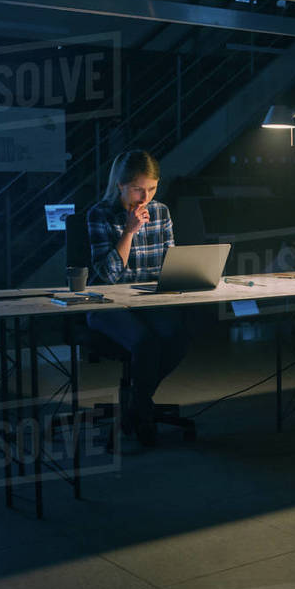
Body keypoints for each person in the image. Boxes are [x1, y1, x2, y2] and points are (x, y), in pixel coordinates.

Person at [87, 150, 187, 446]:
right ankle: (142, 413)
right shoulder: (99, 214)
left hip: (148, 300)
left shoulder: (161, 212)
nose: (146, 197)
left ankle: (134, 407)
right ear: (120, 185)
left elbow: (171, 262)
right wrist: (129, 232)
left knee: (179, 335)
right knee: (145, 342)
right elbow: (106, 276)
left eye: (152, 188)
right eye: (138, 189)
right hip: (106, 302)